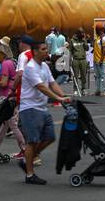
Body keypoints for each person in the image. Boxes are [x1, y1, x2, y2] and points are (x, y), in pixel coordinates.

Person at [17, 36, 72, 185]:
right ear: (35, 52)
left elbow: (52, 83)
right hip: (30, 108)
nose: (46, 51)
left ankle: (26, 160)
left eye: (46, 48)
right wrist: (58, 99)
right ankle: (29, 174)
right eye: (43, 49)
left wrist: (64, 96)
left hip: (41, 108)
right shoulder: (30, 68)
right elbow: (41, 87)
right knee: (32, 141)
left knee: (50, 137)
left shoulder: (44, 66)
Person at [68, 28, 89, 95]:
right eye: (81, 33)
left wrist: (84, 41)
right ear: (77, 33)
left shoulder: (83, 39)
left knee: (83, 75)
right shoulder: (72, 40)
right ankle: (75, 89)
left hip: (83, 59)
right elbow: (70, 51)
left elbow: (87, 49)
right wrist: (69, 61)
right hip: (75, 60)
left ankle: (83, 89)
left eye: (83, 33)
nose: (83, 34)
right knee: (75, 76)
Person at [92, 25, 105, 97]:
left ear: (99, 30)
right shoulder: (98, 38)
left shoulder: (104, 38)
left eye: (96, 29)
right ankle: (98, 90)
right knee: (98, 76)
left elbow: (104, 50)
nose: (95, 31)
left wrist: (101, 60)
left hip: (100, 60)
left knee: (103, 75)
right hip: (96, 59)